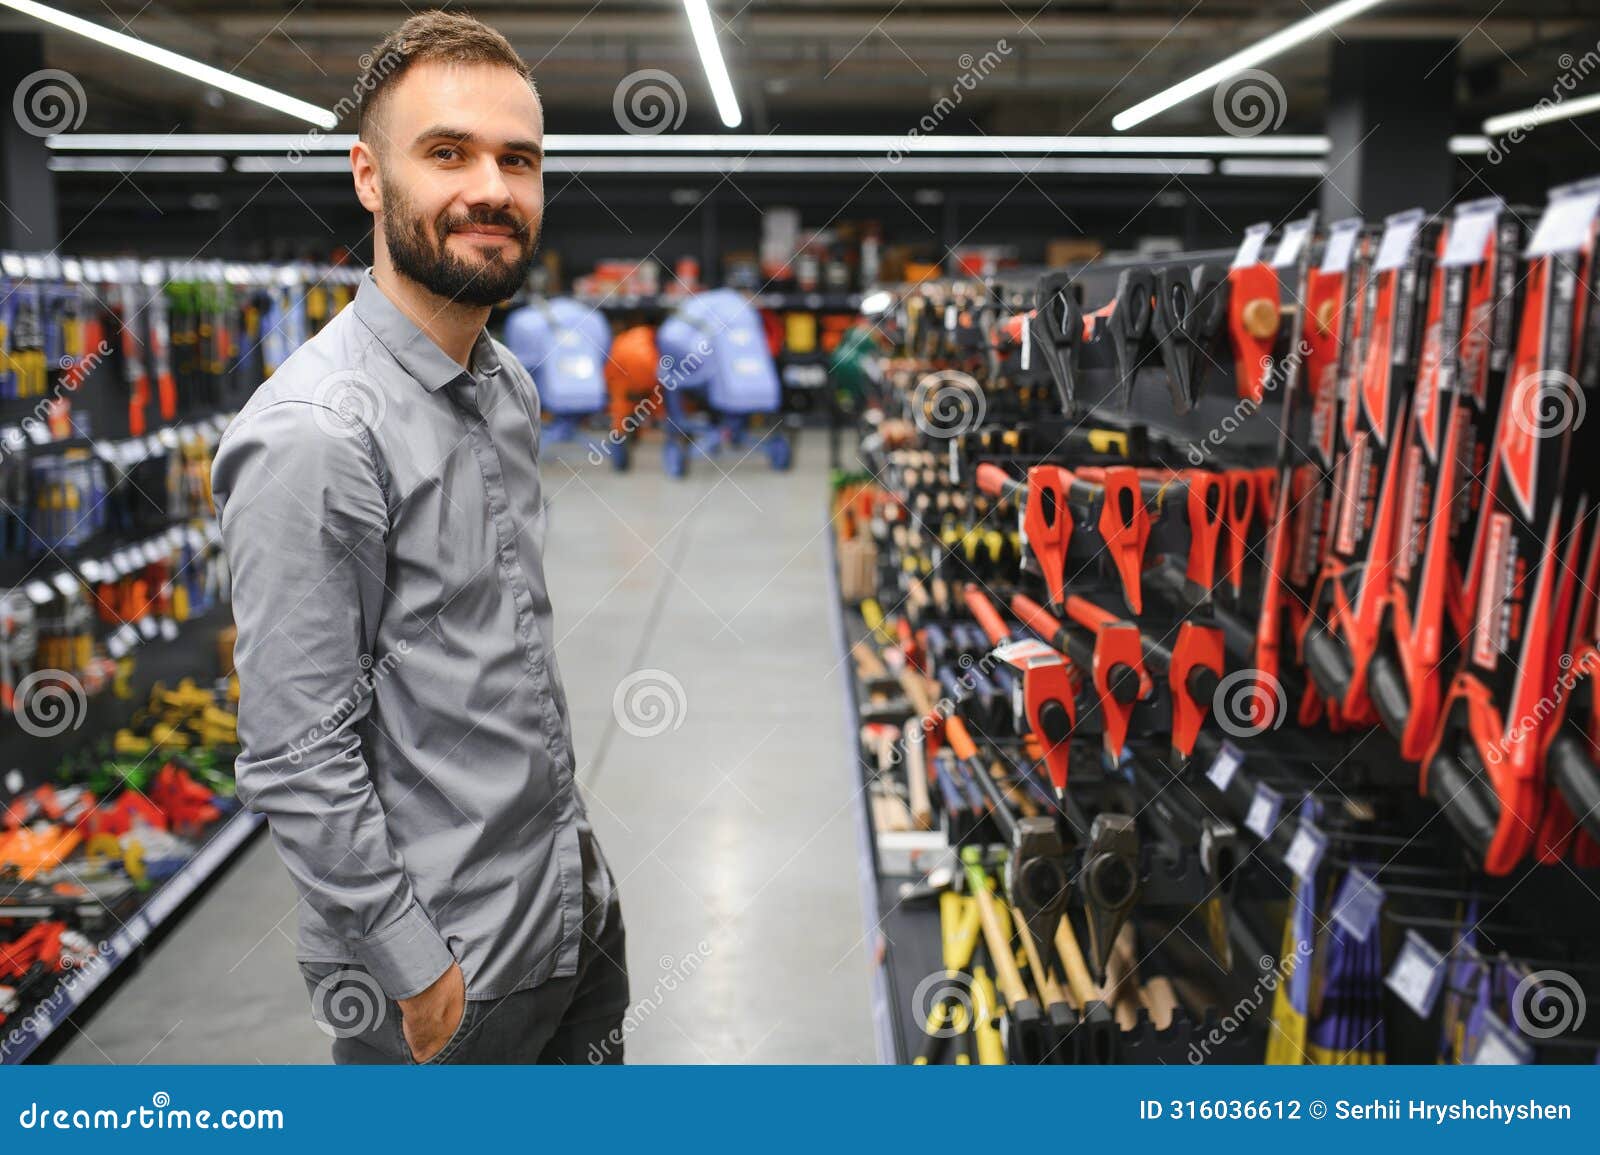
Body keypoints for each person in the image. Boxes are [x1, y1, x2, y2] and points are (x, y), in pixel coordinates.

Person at [211, 9, 628, 1065]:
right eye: (446, 152)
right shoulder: (316, 434)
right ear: (368, 176)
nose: (491, 187)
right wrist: (417, 967)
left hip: (565, 913)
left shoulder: (507, 386)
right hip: (445, 979)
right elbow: (294, 753)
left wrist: (578, 883)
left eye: (518, 159)